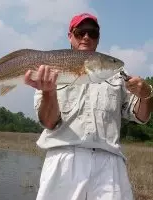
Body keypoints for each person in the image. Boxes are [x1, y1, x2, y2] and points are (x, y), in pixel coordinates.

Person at [24, 13, 153, 200]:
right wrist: (48, 92)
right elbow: (49, 122)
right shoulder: (48, 70)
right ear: (70, 35)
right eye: (80, 32)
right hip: (64, 160)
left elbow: (141, 116)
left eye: (92, 33)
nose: (86, 37)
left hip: (109, 164)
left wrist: (147, 94)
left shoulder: (118, 74)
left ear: (98, 39)